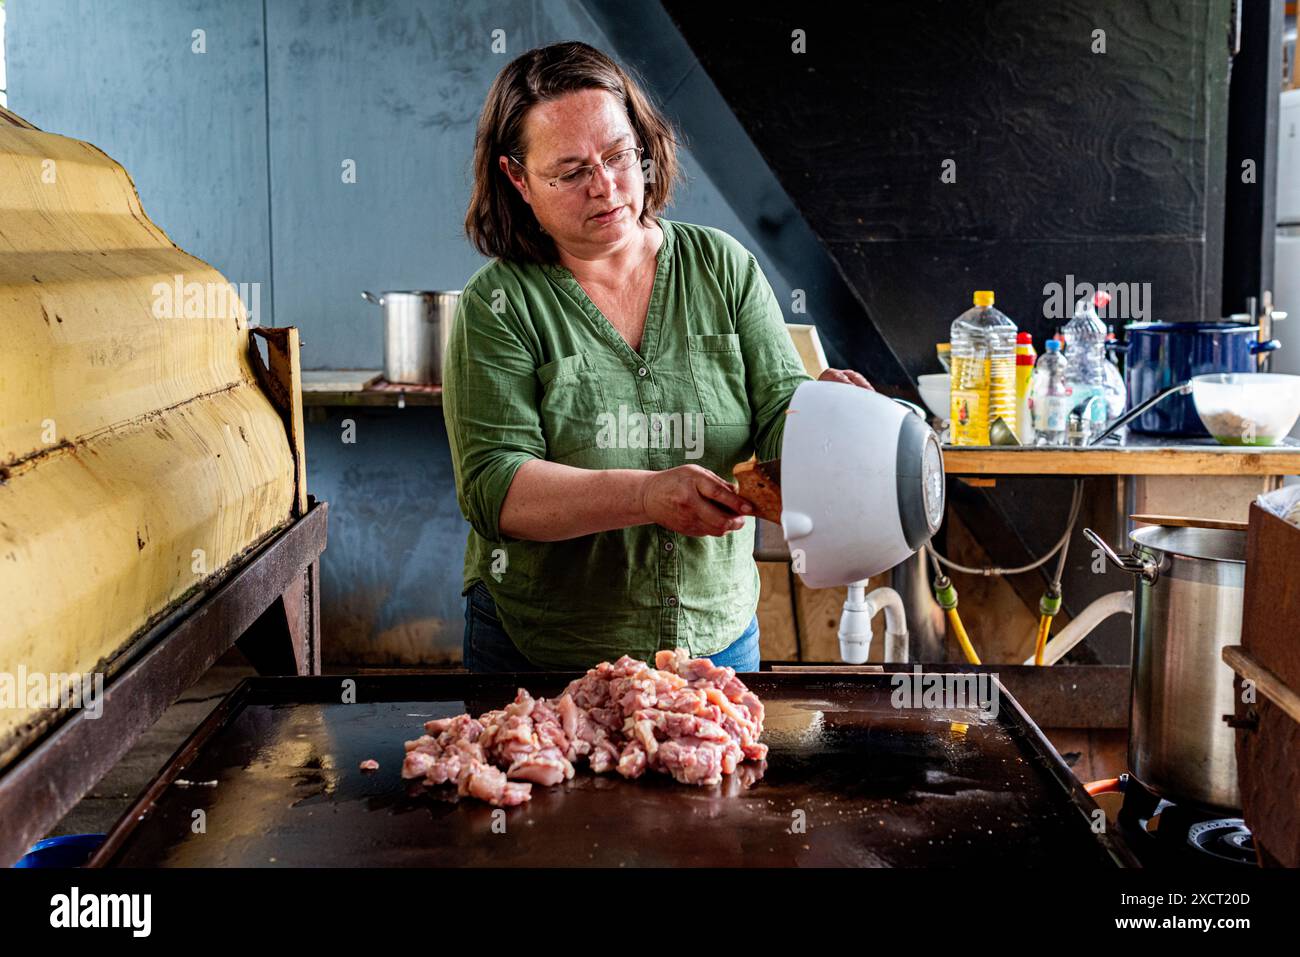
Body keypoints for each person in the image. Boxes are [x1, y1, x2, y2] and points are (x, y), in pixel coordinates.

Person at [445, 41, 872, 673]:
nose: (606, 186)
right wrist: (646, 496)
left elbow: (779, 407)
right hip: (548, 653)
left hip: (715, 645)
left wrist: (823, 421)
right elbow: (495, 489)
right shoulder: (500, 303)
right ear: (517, 178)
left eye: (619, 155)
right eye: (569, 171)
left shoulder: (721, 266)